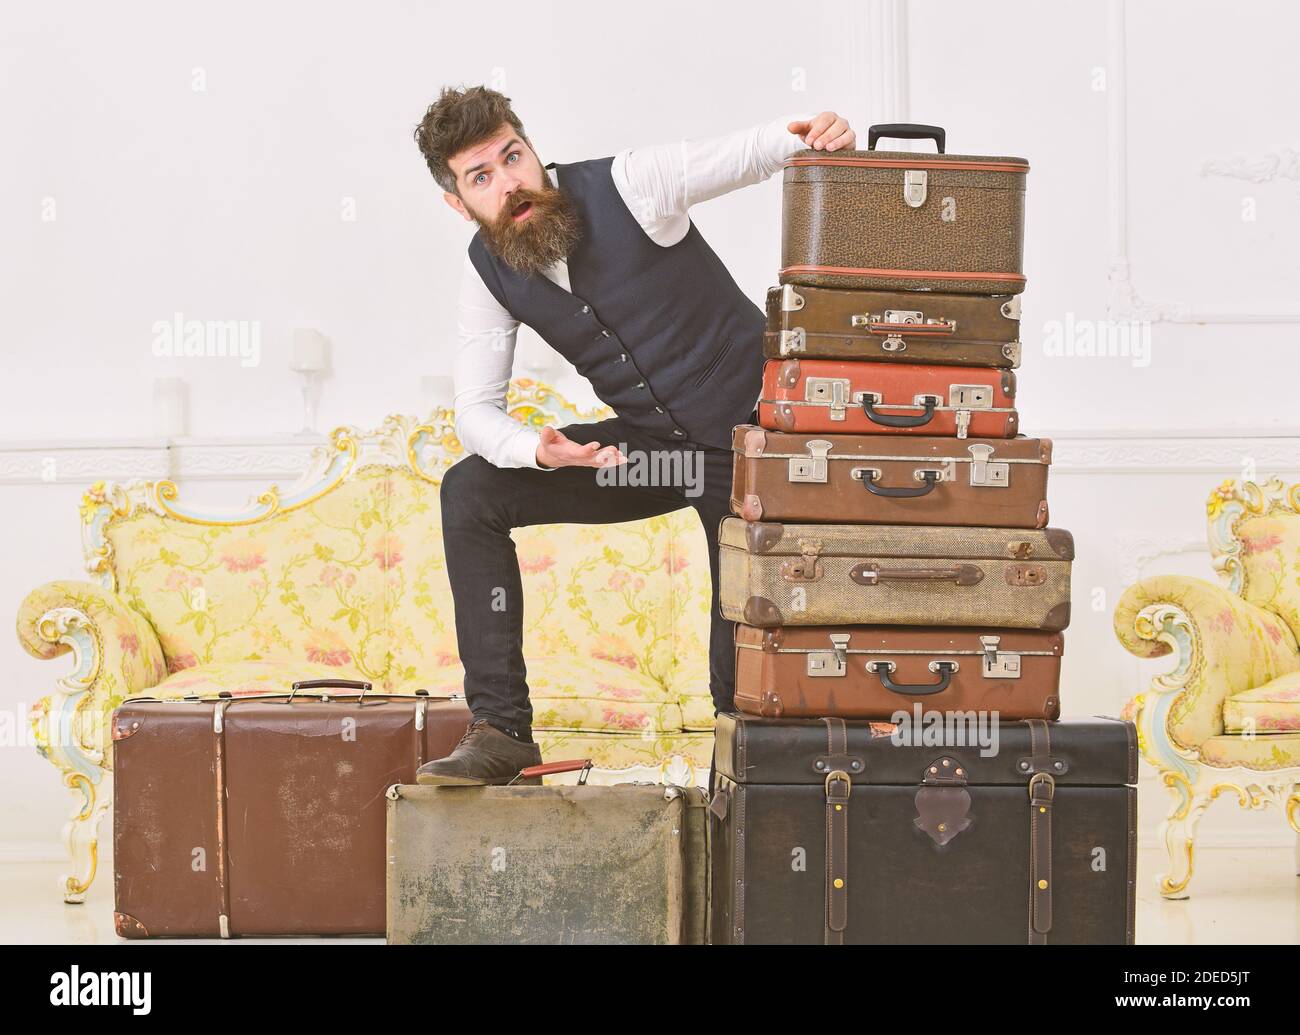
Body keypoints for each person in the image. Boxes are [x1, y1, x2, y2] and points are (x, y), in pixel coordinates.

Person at [410, 84, 855, 785]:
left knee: (732, 679)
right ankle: (501, 730)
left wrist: (809, 133)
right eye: (481, 177)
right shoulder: (488, 271)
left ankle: (753, 813)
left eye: (512, 156)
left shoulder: (629, 185)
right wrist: (538, 450)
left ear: (532, 148)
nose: (509, 183)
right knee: (470, 491)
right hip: (654, 458)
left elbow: (744, 153)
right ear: (458, 203)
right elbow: (476, 410)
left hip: (758, 451)